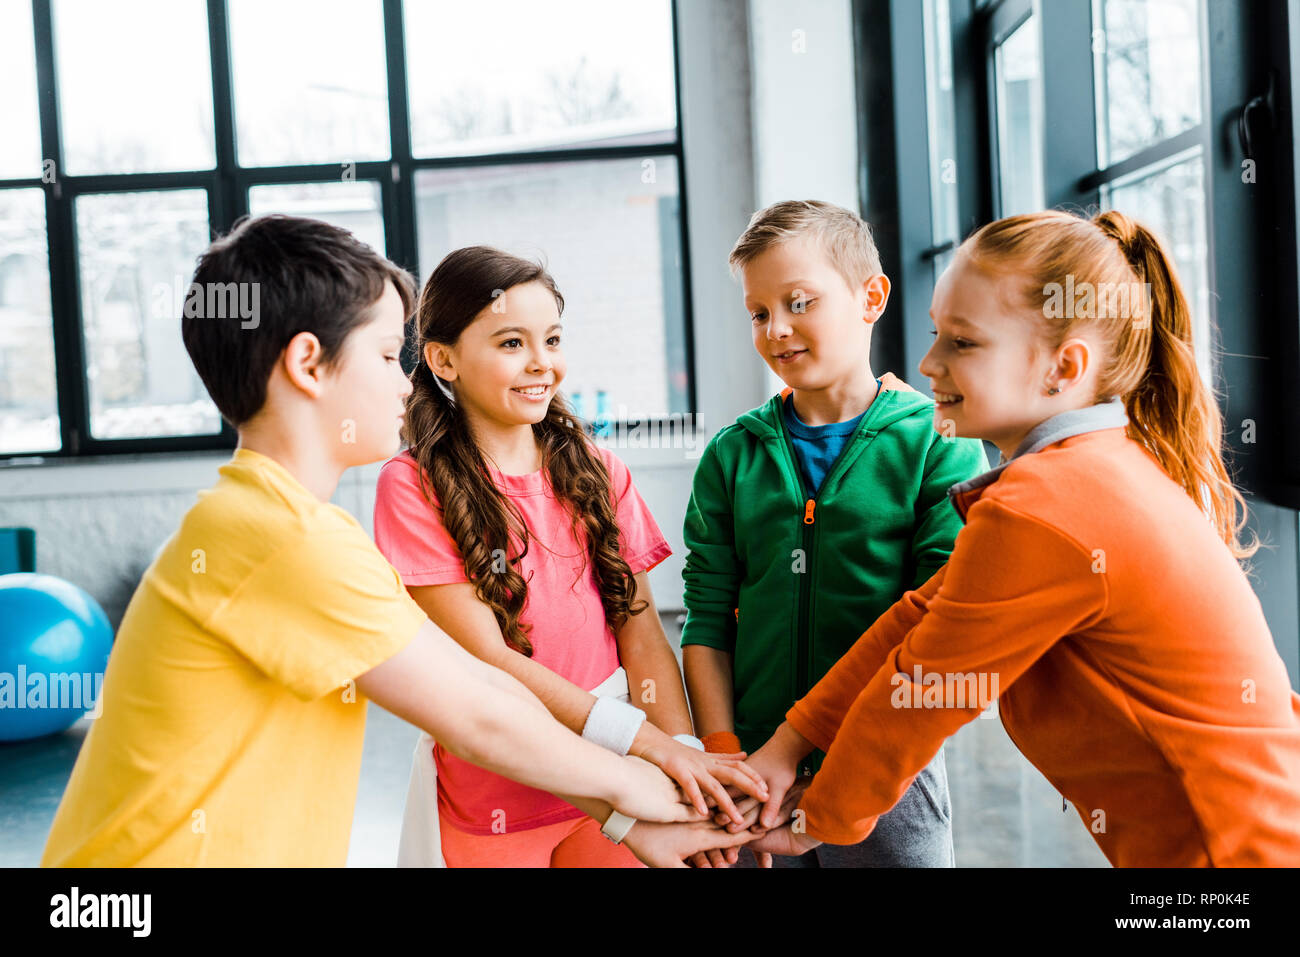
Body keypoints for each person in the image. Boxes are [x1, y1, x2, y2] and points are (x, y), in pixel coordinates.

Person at [40, 215, 751, 868]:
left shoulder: (292, 528)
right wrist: (649, 790)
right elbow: (477, 716)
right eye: (387, 354)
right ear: (307, 362)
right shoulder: (278, 538)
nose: (404, 380)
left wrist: (630, 809)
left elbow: (478, 688)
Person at [733, 209, 1300, 867]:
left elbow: (924, 688)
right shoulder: (1092, 468)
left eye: (963, 343)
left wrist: (813, 821)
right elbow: (913, 623)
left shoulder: (1047, 504)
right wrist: (786, 746)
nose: (928, 362)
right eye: (936, 334)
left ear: (1064, 367)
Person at [373, 245, 767, 867]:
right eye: (511, 344)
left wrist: (682, 756)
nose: (541, 364)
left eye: (552, 340)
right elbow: (489, 659)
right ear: (444, 359)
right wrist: (649, 750)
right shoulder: (411, 484)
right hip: (499, 798)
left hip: (621, 787)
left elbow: (640, 630)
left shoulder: (598, 469)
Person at [680, 200, 987, 867]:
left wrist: (859, 759)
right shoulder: (732, 456)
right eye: (759, 312)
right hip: (753, 774)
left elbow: (937, 623)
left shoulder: (940, 442)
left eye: (799, 302)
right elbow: (706, 619)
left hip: (888, 774)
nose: (777, 329)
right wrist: (723, 749)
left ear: (870, 296)